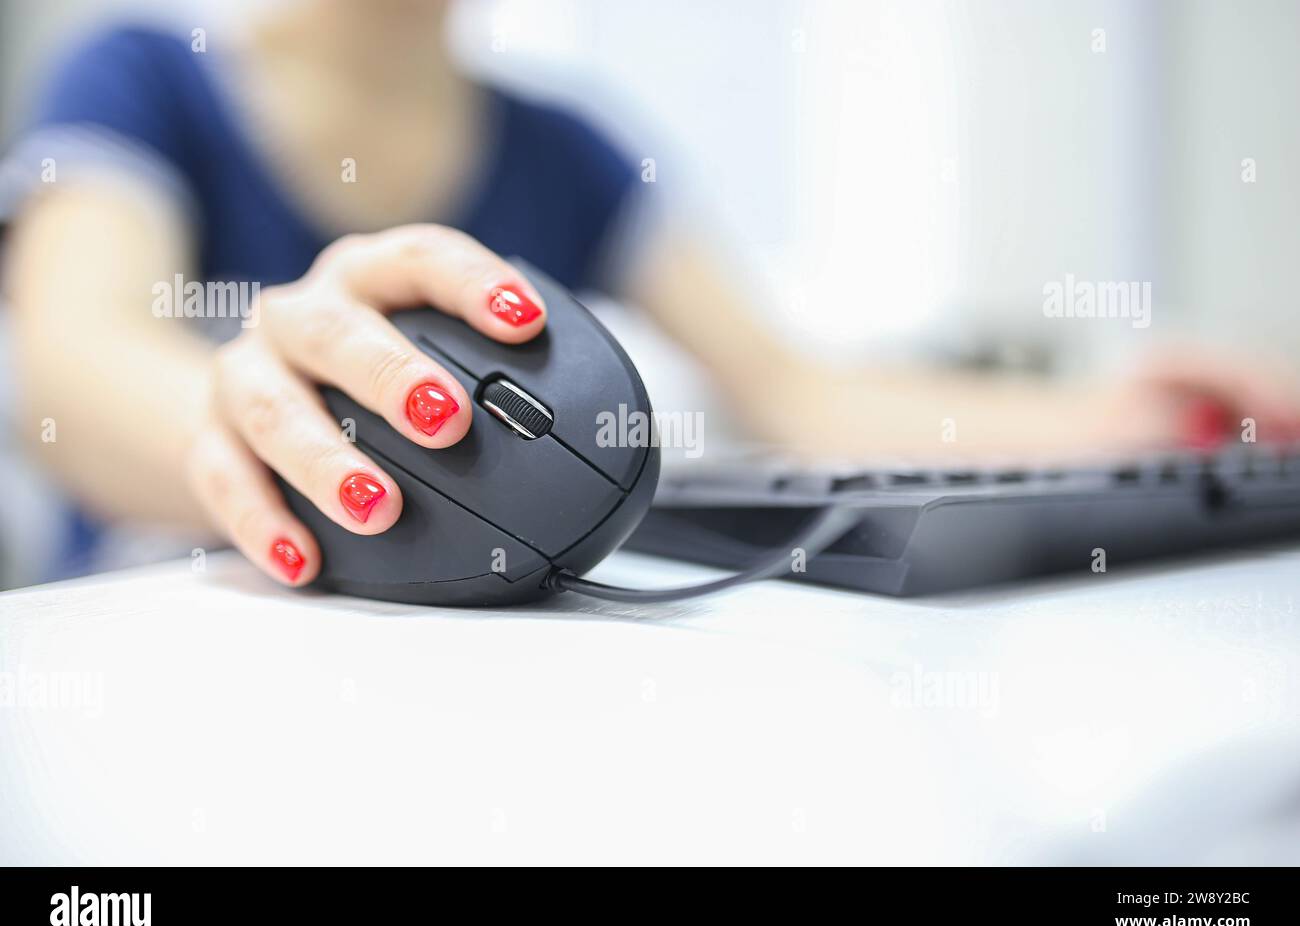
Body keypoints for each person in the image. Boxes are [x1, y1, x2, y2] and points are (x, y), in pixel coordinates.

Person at [4, 0, 1299, 587]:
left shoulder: (569, 143)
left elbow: (799, 390)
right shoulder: (134, 75)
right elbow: (70, 358)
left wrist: (1129, 417)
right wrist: (250, 404)